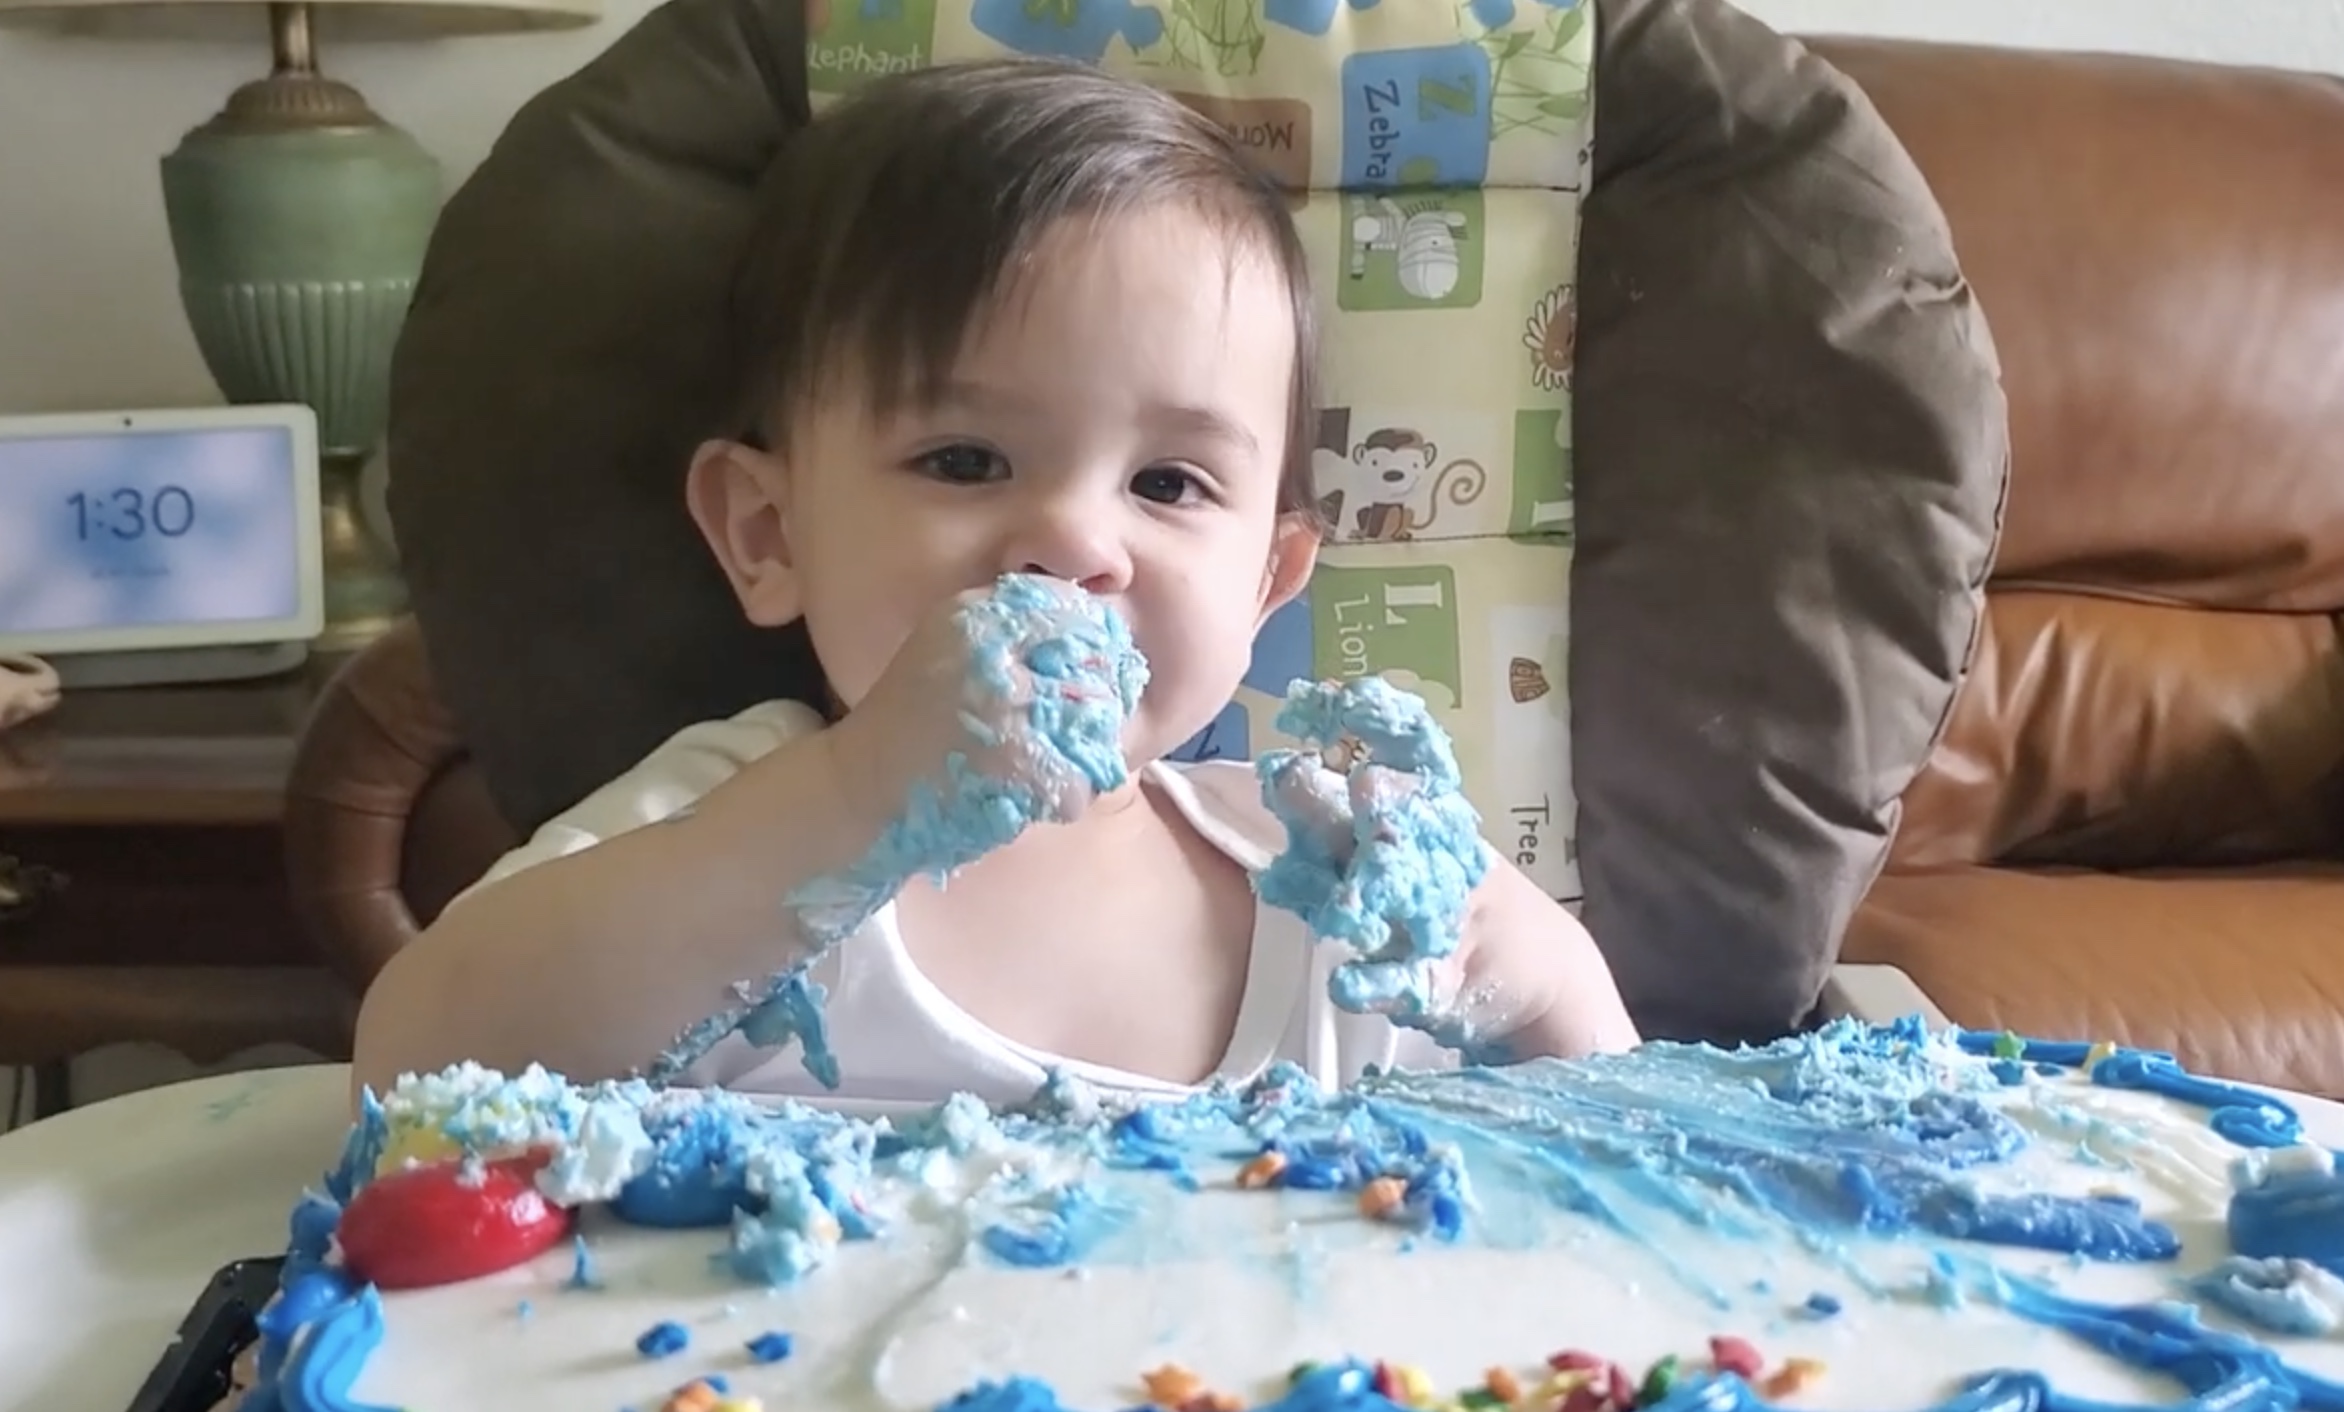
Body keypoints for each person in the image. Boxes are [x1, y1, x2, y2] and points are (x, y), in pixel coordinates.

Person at [351, 58, 1638, 1105]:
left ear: (1268, 580)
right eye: (964, 460)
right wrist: (853, 796)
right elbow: (414, 1061)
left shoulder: (1333, 879)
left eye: (1169, 482)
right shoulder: (724, 826)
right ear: (767, 534)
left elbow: (1629, 1134)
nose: (1073, 542)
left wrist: (1531, 975)